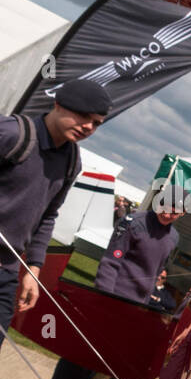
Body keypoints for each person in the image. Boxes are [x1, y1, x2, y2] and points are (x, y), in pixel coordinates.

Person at [42, 196, 183, 379]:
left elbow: (154, 273)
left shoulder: (173, 237)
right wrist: (105, 300)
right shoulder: (132, 222)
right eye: (165, 208)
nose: (167, 214)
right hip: (108, 301)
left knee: (96, 363)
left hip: (133, 312)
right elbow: (110, 262)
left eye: (174, 212)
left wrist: (144, 309)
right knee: (77, 355)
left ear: (183, 214)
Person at [0, 79, 111, 343]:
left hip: (6, 271)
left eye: (96, 123)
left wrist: (34, 269)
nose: (88, 127)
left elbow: (47, 216)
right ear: (58, 104)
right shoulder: (11, 134)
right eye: (83, 116)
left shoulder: (73, 161)